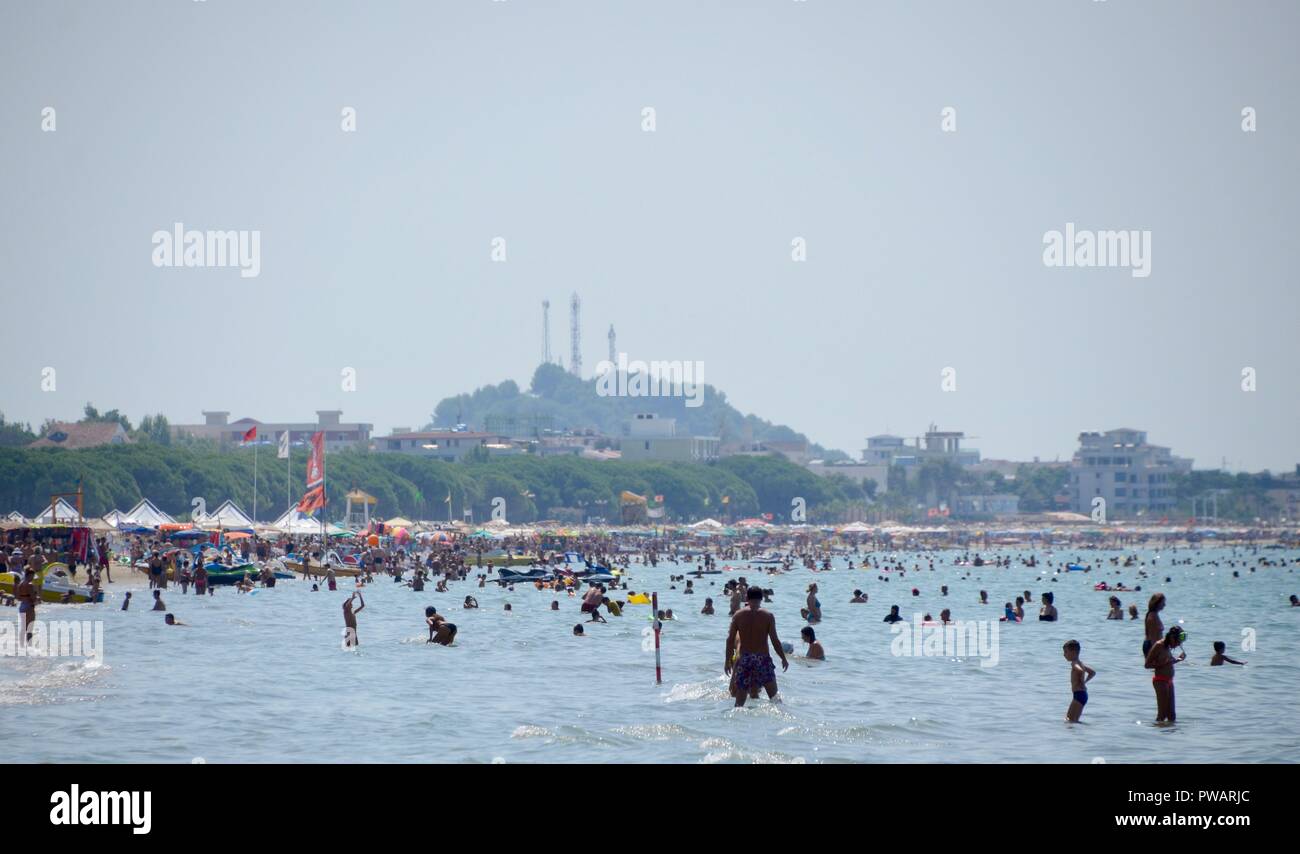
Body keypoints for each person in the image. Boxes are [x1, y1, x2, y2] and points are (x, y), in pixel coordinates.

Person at [724, 586, 789, 707]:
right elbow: (775, 640)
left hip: (744, 659)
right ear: (762, 598)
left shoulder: (738, 615)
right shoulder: (768, 616)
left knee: (739, 705)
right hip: (762, 659)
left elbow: (730, 640)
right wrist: (783, 658)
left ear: (747, 598)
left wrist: (727, 660)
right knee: (775, 700)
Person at [1145, 626, 1185, 723]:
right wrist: (1164, 663)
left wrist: (1178, 660)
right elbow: (1147, 665)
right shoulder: (1159, 645)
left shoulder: (1167, 647)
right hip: (1160, 681)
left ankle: (1169, 736)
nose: (1178, 645)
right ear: (1171, 637)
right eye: (1177, 642)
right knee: (1162, 715)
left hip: (1169, 681)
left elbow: (1168, 663)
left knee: (1172, 716)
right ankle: (1156, 735)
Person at [1062, 639, 1095, 722]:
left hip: (1079, 694)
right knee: (1073, 720)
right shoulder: (1080, 663)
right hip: (1081, 695)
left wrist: (1081, 681)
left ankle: (1073, 734)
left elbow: (1079, 670)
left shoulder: (1074, 663)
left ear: (1073, 652)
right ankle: (1077, 734)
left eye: (1066, 652)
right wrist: (1084, 682)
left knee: (1069, 720)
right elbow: (1092, 673)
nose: (1064, 655)